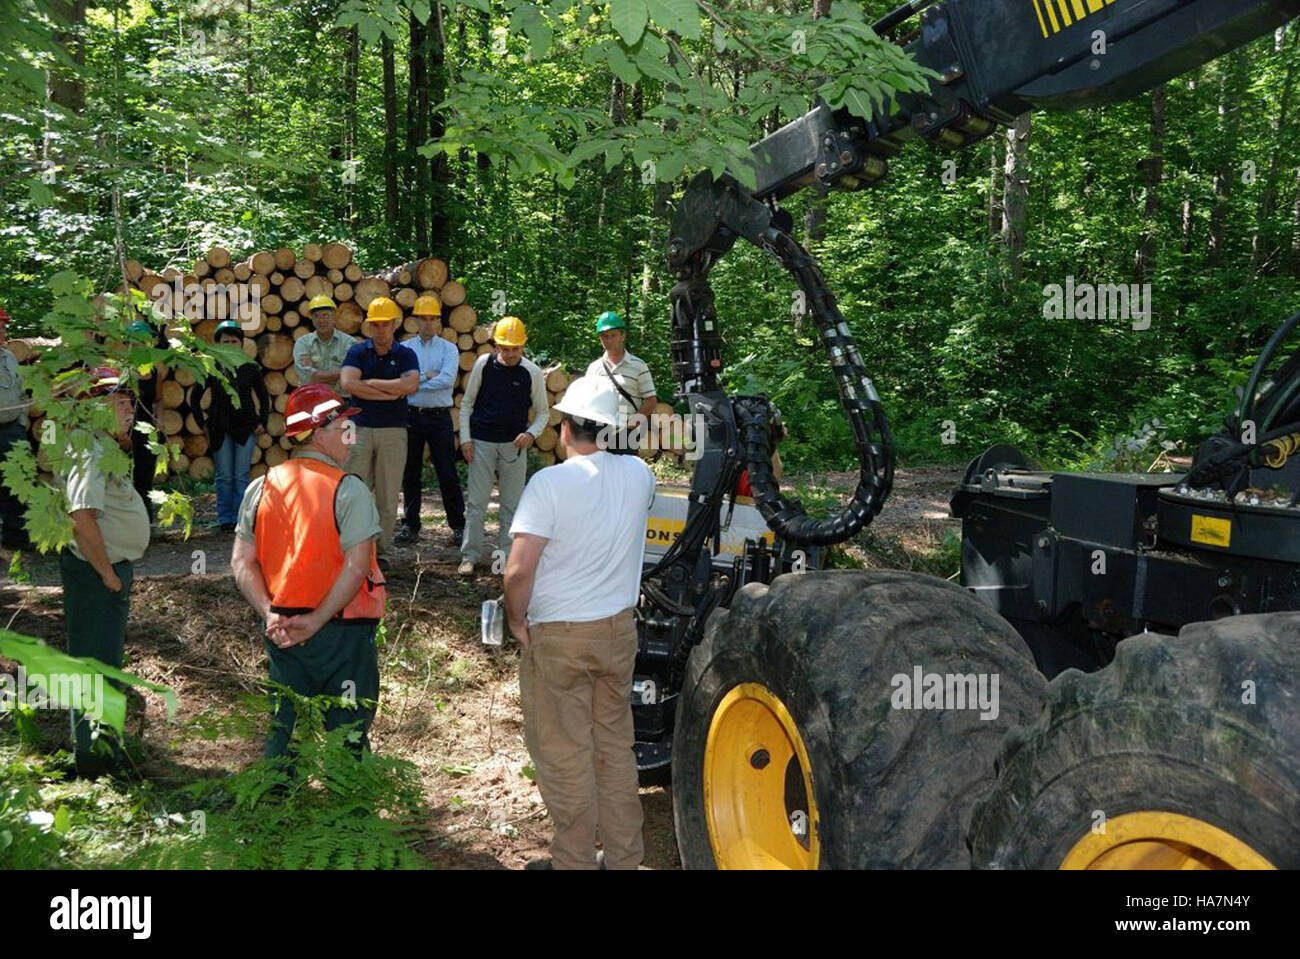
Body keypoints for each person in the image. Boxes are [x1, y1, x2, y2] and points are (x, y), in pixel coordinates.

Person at [504, 375, 655, 870]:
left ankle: (573, 861)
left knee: (565, 753)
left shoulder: (549, 483)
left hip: (561, 637)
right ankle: (624, 858)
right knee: (613, 748)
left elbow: (519, 568)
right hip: (618, 632)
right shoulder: (639, 475)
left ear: (564, 428)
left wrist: (516, 618)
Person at [230, 384, 387, 760]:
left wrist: (269, 612)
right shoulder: (348, 489)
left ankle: (278, 803)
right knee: (348, 725)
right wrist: (316, 620)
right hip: (342, 632)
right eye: (344, 429)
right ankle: (353, 806)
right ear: (318, 434)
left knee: (286, 726)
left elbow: (241, 562)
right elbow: (356, 567)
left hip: (283, 629)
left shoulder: (260, 486)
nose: (353, 439)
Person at [60, 366, 151, 777]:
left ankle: (101, 754)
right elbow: (82, 518)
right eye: (118, 399)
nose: (129, 406)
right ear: (95, 406)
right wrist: (108, 575)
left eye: (129, 399)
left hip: (105, 572)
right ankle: (96, 766)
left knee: (104, 665)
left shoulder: (106, 445)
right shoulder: (89, 449)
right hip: (96, 575)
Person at [457, 315, 549, 576]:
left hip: (513, 447)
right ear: (496, 345)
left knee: (511, 505)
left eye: (515, 349)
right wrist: (465, 438)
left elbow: (543, 413)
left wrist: (531, 433)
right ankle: (469, 556)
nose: (509, 354)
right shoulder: (483, 365)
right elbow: (467, 404)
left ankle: (505, 559)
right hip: (481, 443)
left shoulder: (531, 372)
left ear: (523, 346)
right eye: (505, 348)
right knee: (477, 504)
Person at [338, 296, 419, 554]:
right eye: (376, 324)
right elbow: (348, 384)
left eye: (385, 324)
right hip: (358, 427)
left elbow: (410, 386)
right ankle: (348, 548)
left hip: (393, 430)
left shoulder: (406, 354)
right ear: (369, 326)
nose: (380, 329)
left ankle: (380, 551)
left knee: (387, 493)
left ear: (394, 324)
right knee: (352, 489)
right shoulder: (358, 351)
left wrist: (371, 384)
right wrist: (391, 391)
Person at [396, 294, 465, 546]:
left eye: (432, 318)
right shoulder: (405, 348)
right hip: (411, 416)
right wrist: (425, 377)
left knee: (447, 471)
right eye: (423, 318)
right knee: (410, 472)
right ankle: (410, 525)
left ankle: (458, 525)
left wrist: (415, 383)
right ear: (415, 320)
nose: (427, 323)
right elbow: (402, 382)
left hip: (439, 417)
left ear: (438, 321)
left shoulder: (449, 348)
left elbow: (446, 380)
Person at [194, 321, 269, 532]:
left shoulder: (250, 367)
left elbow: (263, 397)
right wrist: (202, 424)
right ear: (218, 343)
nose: (230, 344)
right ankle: (225, 518)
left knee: (240, 475)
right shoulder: (211, 367)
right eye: (225, 341)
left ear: (241, 343)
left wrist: (262, 420)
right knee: (224, 475)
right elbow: (195, 398)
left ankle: (241, 519)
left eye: (234, 341)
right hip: (219, 428)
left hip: (246, 427)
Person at [585, 310, 657, 454]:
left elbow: (651, 400)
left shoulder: (638, 366)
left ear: (622, 336)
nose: (609, 340)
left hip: (627, 433)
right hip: (599, 432)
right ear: (600, 339)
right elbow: (587, 402)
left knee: (626, 475)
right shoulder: (594, 368)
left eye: (613, 335)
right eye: (605, 337)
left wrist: (630, 426)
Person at [126, 318, 166, 526]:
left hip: (146, 428)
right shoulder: (122, 370)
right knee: (123, 477)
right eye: (134, 341)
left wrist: (159, 419)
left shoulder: (154, 371)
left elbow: (158, 400)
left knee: (144, 476)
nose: (138, 346)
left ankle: (145, 523)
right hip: (124, 429)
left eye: (142, 341)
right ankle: (124, 523)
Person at [0, 306, 32, 549]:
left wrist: (21, 424)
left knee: (17, 481)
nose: (3, 329)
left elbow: (21, 392)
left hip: (12, 429)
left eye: (4, 325)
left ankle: (16, 536)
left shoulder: (9, 357)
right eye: (0, 325)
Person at [293, 295, 357, 397]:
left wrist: (320, 376)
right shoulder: (303, 343)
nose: (321, 320)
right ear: (312, 320)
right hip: (311, 399)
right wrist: (342, 372)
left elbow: (354, 374)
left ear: (334, 317)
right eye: (316, 316)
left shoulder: (349, 343)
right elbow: (308, 376)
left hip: (342, 400)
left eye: (325, 315)